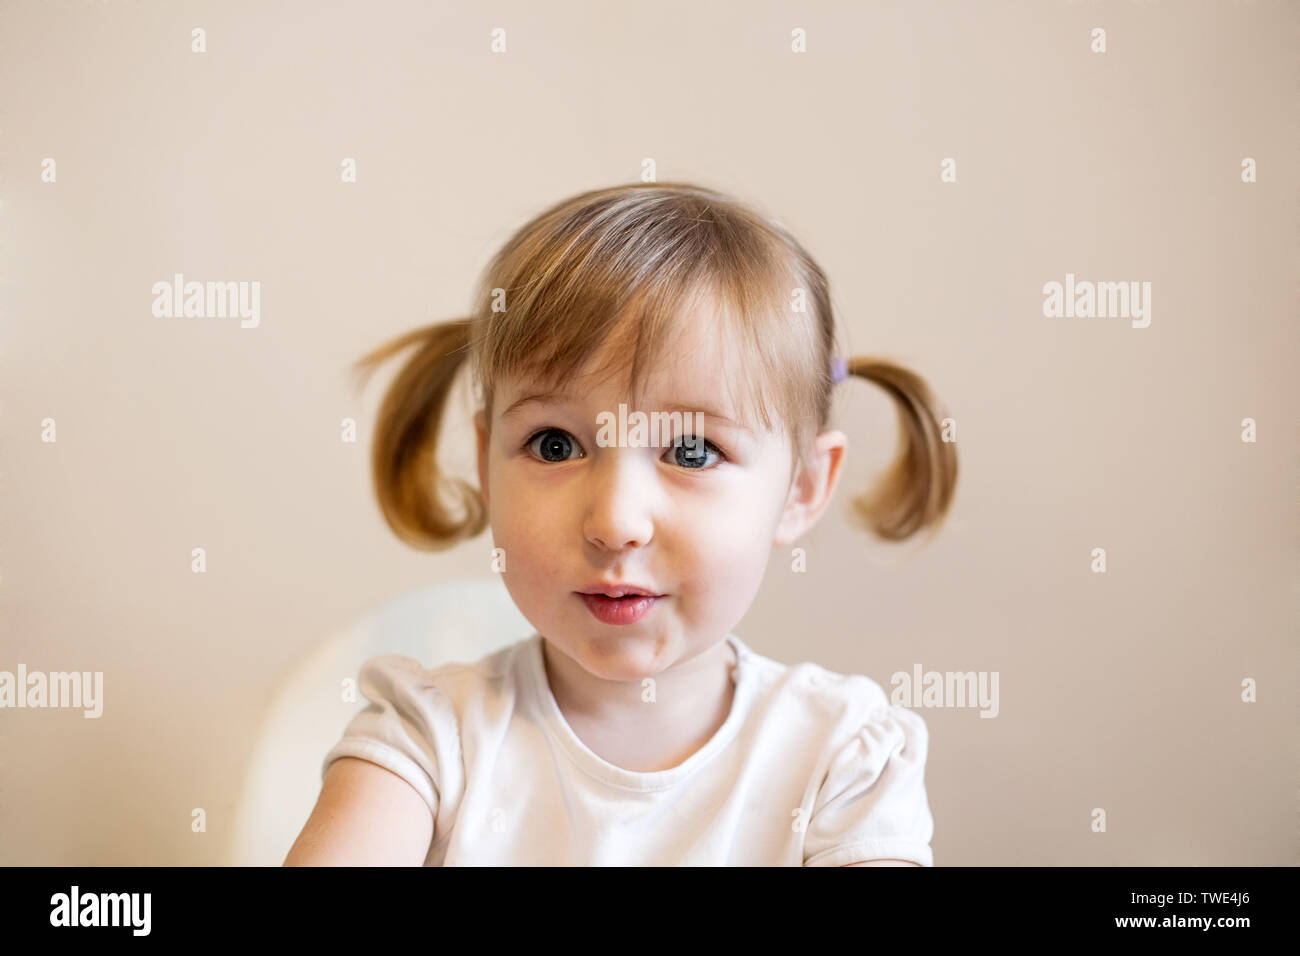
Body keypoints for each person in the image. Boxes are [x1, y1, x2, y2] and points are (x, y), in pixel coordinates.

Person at [284, 182, 958, 866]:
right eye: (555, 445)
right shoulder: (427, 743)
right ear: (489, 468)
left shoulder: (839, 760)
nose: (614, 522)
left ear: (800, 489)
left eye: (692, 451)